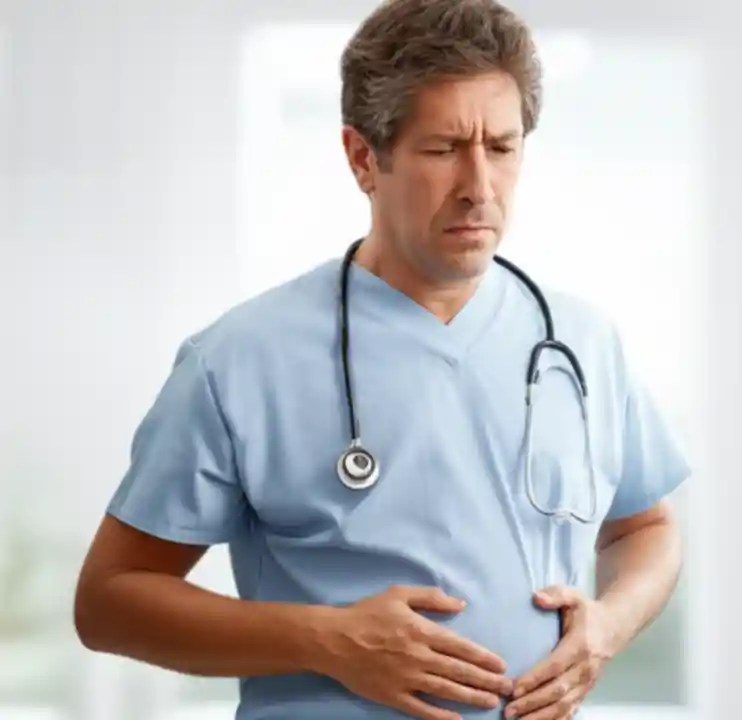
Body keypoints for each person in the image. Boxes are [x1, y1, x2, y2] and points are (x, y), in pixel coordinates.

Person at [71, 1, 690, 718]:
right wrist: (324, 639)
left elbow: (646, 528)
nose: (479, 187)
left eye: (501, 147)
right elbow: (109, 602)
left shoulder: (582, 342)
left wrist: (608, 627)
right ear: (364, 158)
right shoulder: (239, 361)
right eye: (443, 149)